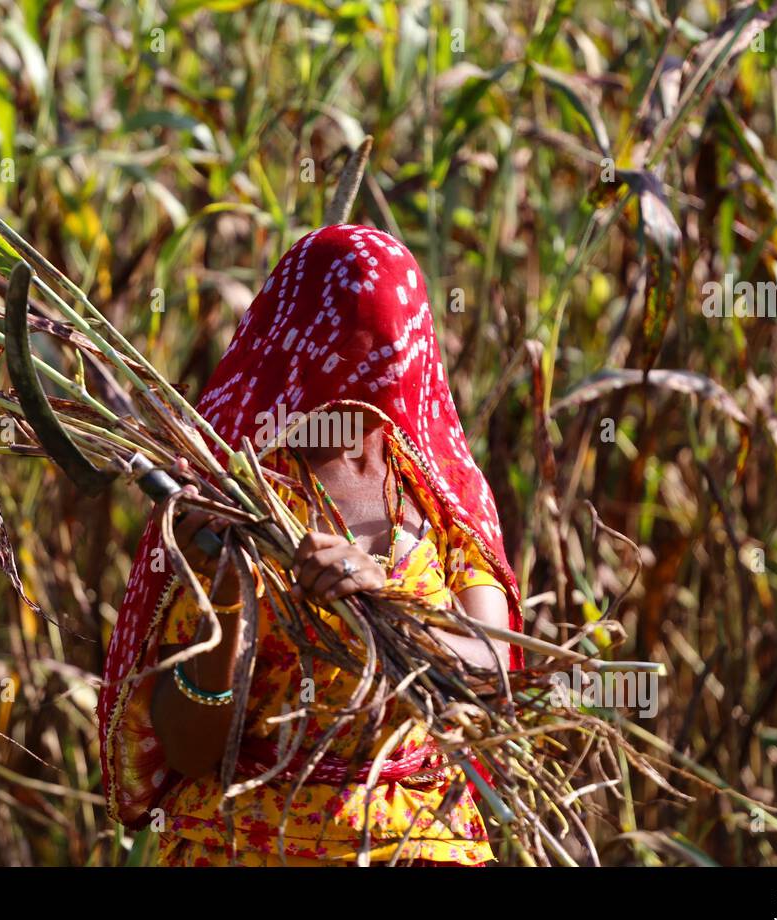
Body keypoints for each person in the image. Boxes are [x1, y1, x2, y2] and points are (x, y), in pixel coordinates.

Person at [98, 224, 523, 865]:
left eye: (379, 343)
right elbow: (187, 750)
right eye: (340, 344)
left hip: (417, 843)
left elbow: (491, 671)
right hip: (242, 843)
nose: (356, 369)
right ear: (289, 340)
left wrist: (387, 606)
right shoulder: (236, 496)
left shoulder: (442, 494)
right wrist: (229, 595)